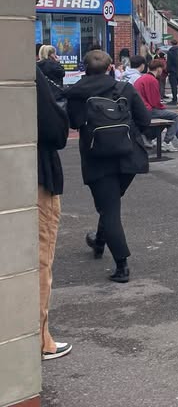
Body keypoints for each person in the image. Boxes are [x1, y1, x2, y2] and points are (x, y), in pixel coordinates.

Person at [66, 50, 151, 283]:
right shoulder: (124, 88)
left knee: (109, 208)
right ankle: (99, 241)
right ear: (110, 67)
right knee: (110, 204)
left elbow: (74, 122)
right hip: (129, 156)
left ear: (84, 68)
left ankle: (122, 265)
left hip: (97, 158)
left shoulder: (76, 93)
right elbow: (145, 120)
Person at [36, 65, 72, 360]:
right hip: (35, 173)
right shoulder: (23, 69)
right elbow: (54, 130)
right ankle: (39, 339)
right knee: (38, 256)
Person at [134, 59, 178, 152]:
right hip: (147, 110)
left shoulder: (143, 78)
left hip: (140, 110)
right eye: (162, 69)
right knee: (175, 116)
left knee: (171, 116)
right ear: (159, 69)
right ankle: (168, 142)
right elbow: (155, 101)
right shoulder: (152, 80)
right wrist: (163, 108)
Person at [166, 40, 178, 105]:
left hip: (172, 71)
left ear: (171, 43)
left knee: (173, 86)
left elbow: (169, 62)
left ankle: (174, 99)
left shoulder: (170, 51)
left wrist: (168, 70)